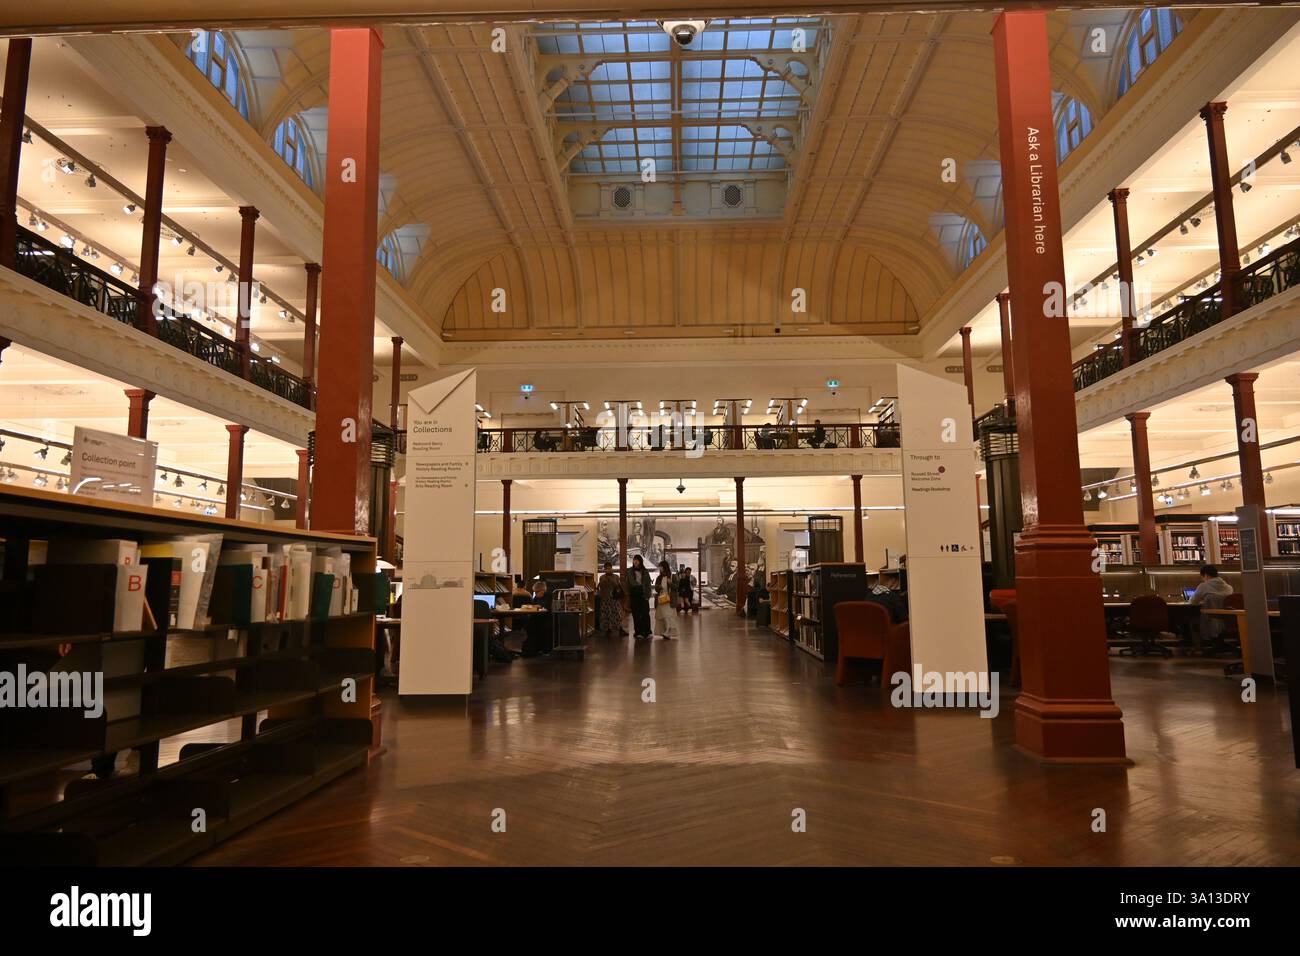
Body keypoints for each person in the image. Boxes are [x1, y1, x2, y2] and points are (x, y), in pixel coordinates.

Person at [1188, 564, 1233, 646]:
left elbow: (1192, 602)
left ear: (1205, 575)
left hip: (1209, 619)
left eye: (1202, 577)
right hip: (1227, 621)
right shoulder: (1229, 587)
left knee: (1188, 618)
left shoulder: (1203, 586)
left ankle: (1198, 644)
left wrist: (1204, 602)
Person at [521, 579, 554, 656]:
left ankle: (546, 649)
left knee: (545, 627)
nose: (535, 594)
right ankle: (533, 648)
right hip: (537, 617)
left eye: (537, 592)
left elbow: (548, 608)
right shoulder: (536, 597)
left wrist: (540, 606)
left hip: (546, 617)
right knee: (529, 625)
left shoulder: (549, 596)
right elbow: (533, 605)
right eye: (535, 592)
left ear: (543, 590)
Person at [626, 555, 653, 639]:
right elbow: (629, 582)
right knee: (636, 614)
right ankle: (638, 632)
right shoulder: (630, 571)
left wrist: (648, 595)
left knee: (645, 613)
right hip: (634, 594)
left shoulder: (645, 571)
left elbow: (648, 583)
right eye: (634, 560)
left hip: (643, 594)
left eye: (637, 560)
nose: (635, 562)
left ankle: (647, 631)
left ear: (640, 561)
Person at [597, 562, 624, 637]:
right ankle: (607, 629)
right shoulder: (602, 577)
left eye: (609, 568)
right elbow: (601, 587)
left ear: (611, 568)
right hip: (605, 598)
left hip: (614, 598)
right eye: (606, 569)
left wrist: (610, 580)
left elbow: (617, 586)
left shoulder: (616, 576)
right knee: (606, 614)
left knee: (617, 613)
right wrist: (604, 581)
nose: (608, 570)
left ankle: (620, 629)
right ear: (604, 569)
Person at [654, 560, 678, 639]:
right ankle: (666, 631)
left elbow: (677, 587)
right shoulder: (659, 577)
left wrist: (671, 584)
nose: (660, 568)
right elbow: (656, 588)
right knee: (663, 616)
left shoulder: (672, 576)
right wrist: (658, 587)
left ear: (664, 567)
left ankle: (668, 630)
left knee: (668, 616)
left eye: (661, 567)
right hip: (662, 599)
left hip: (669, 600)